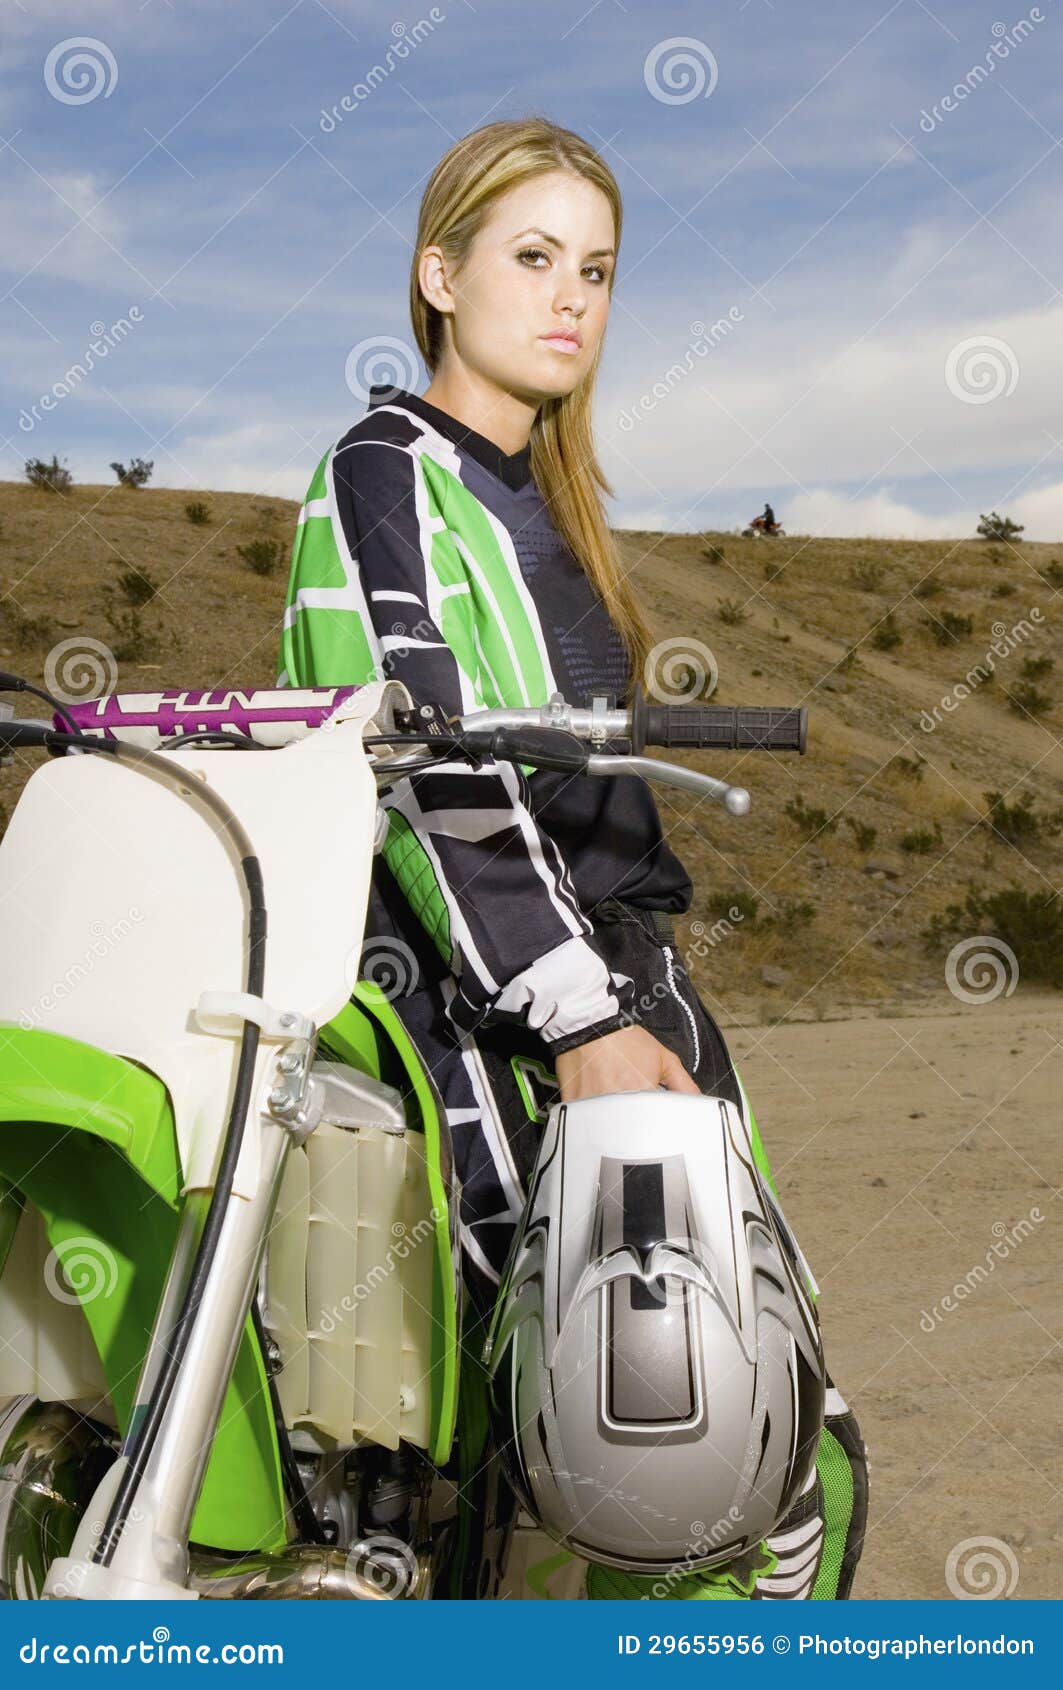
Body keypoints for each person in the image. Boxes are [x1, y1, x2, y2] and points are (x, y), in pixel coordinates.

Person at [278, 114, 867, 1600]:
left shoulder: (547, 498)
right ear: (439, 274)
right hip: (507, 1014)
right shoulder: (384, 465)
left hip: (628, 997)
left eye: (597, 269)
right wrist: (580, 1021)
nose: (573, 300)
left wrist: (631, 1008)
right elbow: (424, 764)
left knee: (758, 1449)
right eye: (534, 257)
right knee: (633, 1445)